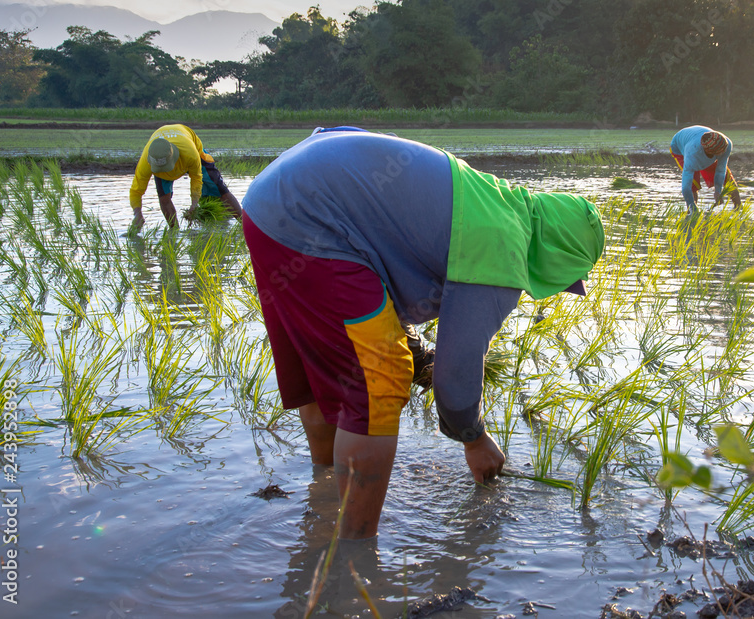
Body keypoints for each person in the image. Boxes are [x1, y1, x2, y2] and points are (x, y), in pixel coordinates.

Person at [241, 127, 605, 540]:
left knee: (324, 366)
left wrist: (414, 348)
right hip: (313, 219)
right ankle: (356, 554)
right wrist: (474, 439)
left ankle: (323, 491)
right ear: (562, 254)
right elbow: (455, 374)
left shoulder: (494, 200)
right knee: (379, 380)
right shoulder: (504, 245)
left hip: (269, 204)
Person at [129, 124, 243, 230]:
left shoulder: (190, 153)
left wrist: (194, 204)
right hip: (162, 153)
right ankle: (174, 231)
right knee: (164, 198)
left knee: (219, 189)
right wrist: (137, 214)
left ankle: (244, 224)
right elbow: (136, 191)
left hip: (191, 148)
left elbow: (197, 178)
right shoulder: (146, 161)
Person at [669, 126, 742, 214]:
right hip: (679, 147)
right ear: (711, 152)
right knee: (693, 183)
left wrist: (718, 192)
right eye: (721, 152)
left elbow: (721, 170)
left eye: (724, 149)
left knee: (727, 178)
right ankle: (692, 211)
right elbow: (686, 187)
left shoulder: (726, 144)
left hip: (697, 140)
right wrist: (691, 204)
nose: (724, 152)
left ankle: (738, 207)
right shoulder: (692, 155)